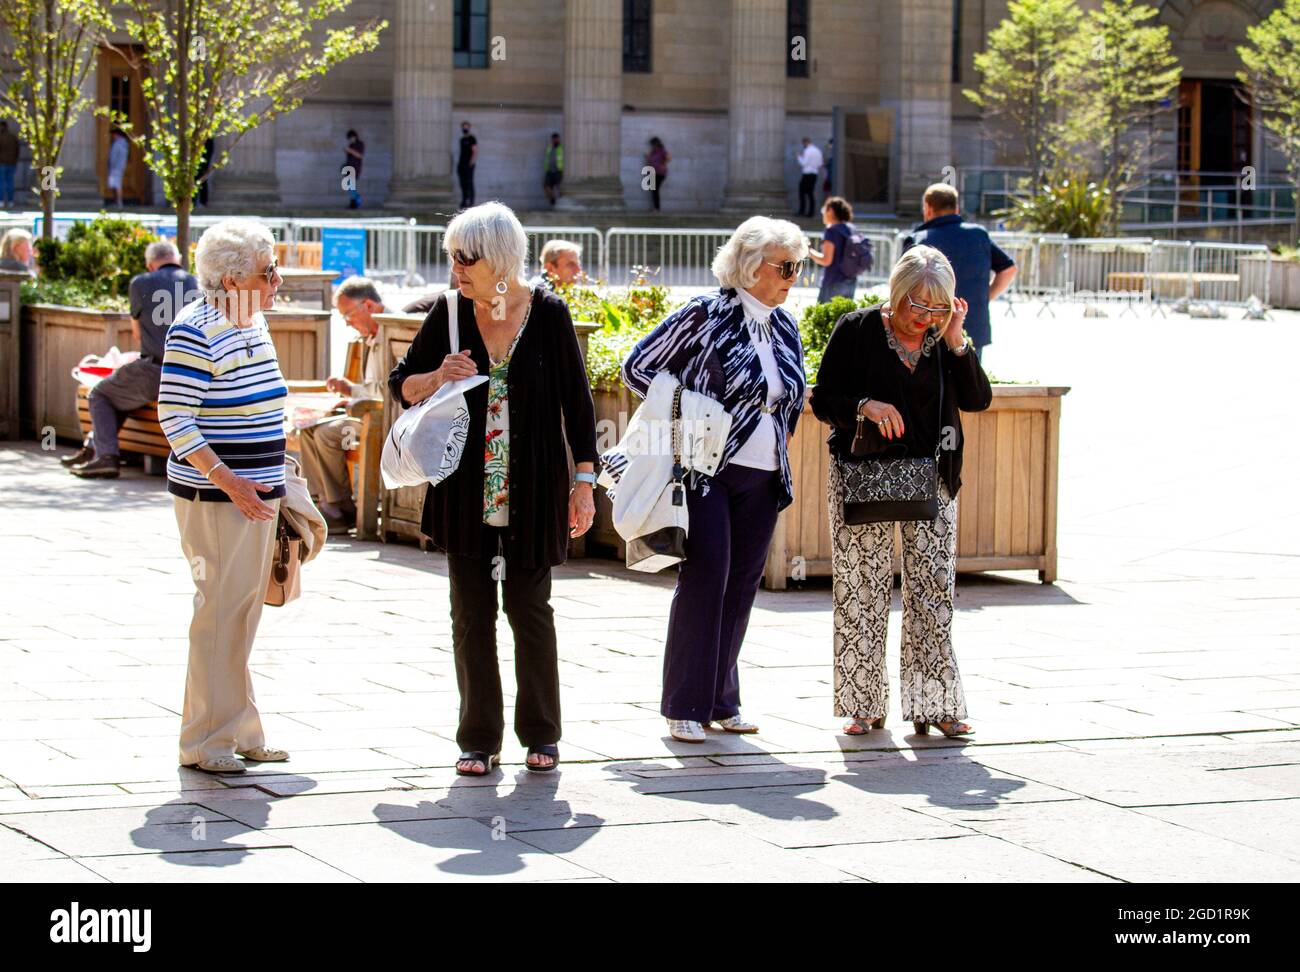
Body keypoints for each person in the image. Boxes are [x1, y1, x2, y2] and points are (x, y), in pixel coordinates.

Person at [388, 202, 598, 777]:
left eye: (467, 257)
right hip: (464, 490)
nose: (456, 267)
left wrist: (585, 485)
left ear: (501, 260)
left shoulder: (549, 314)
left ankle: (542, 734)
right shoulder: (450, 312)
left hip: (533, 490)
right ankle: (477, 739)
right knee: (470, 614)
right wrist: (437, 376)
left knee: (531, 609)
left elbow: (577, 407)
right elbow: (400, 386)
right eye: (452, 256)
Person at [622, 216, 808, 744]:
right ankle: (684, 702)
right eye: (786, 266)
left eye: (798, 265)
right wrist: (693, 408)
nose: (794, 275)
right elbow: (638, 367)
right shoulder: (706, 313)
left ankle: (723, 699)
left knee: (742, 585)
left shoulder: (784, 324)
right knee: (706, 579)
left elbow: (787, 399)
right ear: (750, 268)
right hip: (707, 470)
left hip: (766, 473)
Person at [810, 245, 992, 739]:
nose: (926, 318)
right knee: (861, 588)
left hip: (933, 477)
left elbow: (978, 398)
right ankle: (864, 705)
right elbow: (824, 397)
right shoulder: (857, 329)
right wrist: (865, 405)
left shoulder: (943, 341)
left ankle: (935, 704)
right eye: (918, 306)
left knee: (933, 590)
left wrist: (956, 341)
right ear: (898, 294)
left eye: (938, 308)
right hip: (863, 473)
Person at [156, 219, 291, 774]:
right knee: (219, 614)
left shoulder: (251, 321)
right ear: (232, 281)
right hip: (219, 497)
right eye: (268, 271)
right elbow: (175, 417)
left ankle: (237, 729)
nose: (278, 279)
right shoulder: (195, 328)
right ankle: (205, 743)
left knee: (240, 613)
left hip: (257, 490)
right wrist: (231, 481)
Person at [63, 242, 201, 477]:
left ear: (150, 264)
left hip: (156, 372)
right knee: (122, 388)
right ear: (178, 259)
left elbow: (137, 333)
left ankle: (106, 457)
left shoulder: (140, 283)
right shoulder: (197, 283)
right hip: (195, 374)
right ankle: (93, 448)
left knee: (100, 393)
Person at [297, 275, 386, 532]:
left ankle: (341, 507)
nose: (348, 324)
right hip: (365, 408)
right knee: (308, 429)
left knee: (327, 434)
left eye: (348, 315)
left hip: (382, 416)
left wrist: (351, 391)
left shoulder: (391, 330)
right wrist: (349, 394)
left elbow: (390, 390)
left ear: (368, 305)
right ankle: (325, 502)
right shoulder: (372, 333)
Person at [903, 183, 1017, 358]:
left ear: (927, 208)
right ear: (956, 208)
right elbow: (1009, 269)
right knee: (970, 381)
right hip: (972, 326)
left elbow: (904, 287)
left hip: (928, 329)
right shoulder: (979, 234)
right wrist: (984, 298)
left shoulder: (918, 239)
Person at [808, 195, 857, 304]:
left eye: (823, 210)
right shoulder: (850, 229)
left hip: (833, 281)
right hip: (850, 282)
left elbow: (826, 260)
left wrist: (809, 252)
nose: (823, 213)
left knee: (825, 319)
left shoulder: (831, 231)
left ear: (830, 210)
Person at [796, 137, 824, 218]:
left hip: (807, 173)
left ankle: (802, 211)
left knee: (802, 193)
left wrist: (799, 157)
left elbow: (803, 163)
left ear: (805, 142)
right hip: (814, 174)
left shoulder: (808, 151)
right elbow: (820, 164)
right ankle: (811, 212)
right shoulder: (818, 151)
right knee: (810, 193)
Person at [644, 137, 670, 211]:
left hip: (659, 173)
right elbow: (650, 161)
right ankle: (655, 207)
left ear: (656, 143)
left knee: (655, 189)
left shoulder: (661, 151)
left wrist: (663, 165)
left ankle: (657, 208)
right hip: (652, 172)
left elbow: (668, 157)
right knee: (653, 190)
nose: (652, 146)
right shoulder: (653, 152)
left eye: (653, 144)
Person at [457, 121, 478, 209]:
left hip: (469, 165)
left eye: (466, 127)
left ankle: (471, 201)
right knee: (462, 183)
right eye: (463, 127)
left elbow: (475, 151)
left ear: (469, 128)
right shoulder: (462, 140)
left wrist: (471, 163)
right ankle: (464, 200)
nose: (465, 129)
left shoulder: (472, 139)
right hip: (461, 164)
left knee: (469, 182)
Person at [107, 129, 129, 207]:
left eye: (114, 135)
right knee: (114, 184)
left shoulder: (119, 144)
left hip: (117, 167)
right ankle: (116, 201)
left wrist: (113, 165)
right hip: (117, 167)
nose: (113, 137)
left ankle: (119, 202)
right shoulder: (123, 143)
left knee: (117, 184)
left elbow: (115, 156)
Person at [343, 129, 365, 209]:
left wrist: (350, 151)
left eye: (351, 138)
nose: (350, 140)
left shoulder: (360, 144)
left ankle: (356, 201)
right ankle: (354, 202)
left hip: (355, 168)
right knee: (349, 186)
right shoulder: (351, 145)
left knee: (351, 186)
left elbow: (360, 155)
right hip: (349, 168)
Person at [0, 121, 19, 208]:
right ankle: (10, 201)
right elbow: (17, 151)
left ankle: (1, 201)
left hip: (2, 163)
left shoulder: (1, 137)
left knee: (2, 183)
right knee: (10, 182)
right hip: (11, 163)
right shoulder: (13, 137)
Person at [543, 132, 564, 206]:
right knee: (546, 186)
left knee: (557, 186)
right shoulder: (549, 148)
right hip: (549, 170)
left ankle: (556, 199)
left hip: (557, 171)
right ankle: (552, 198)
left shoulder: (561, 148)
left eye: (556, 139)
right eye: (553, 139)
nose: (554, 141)